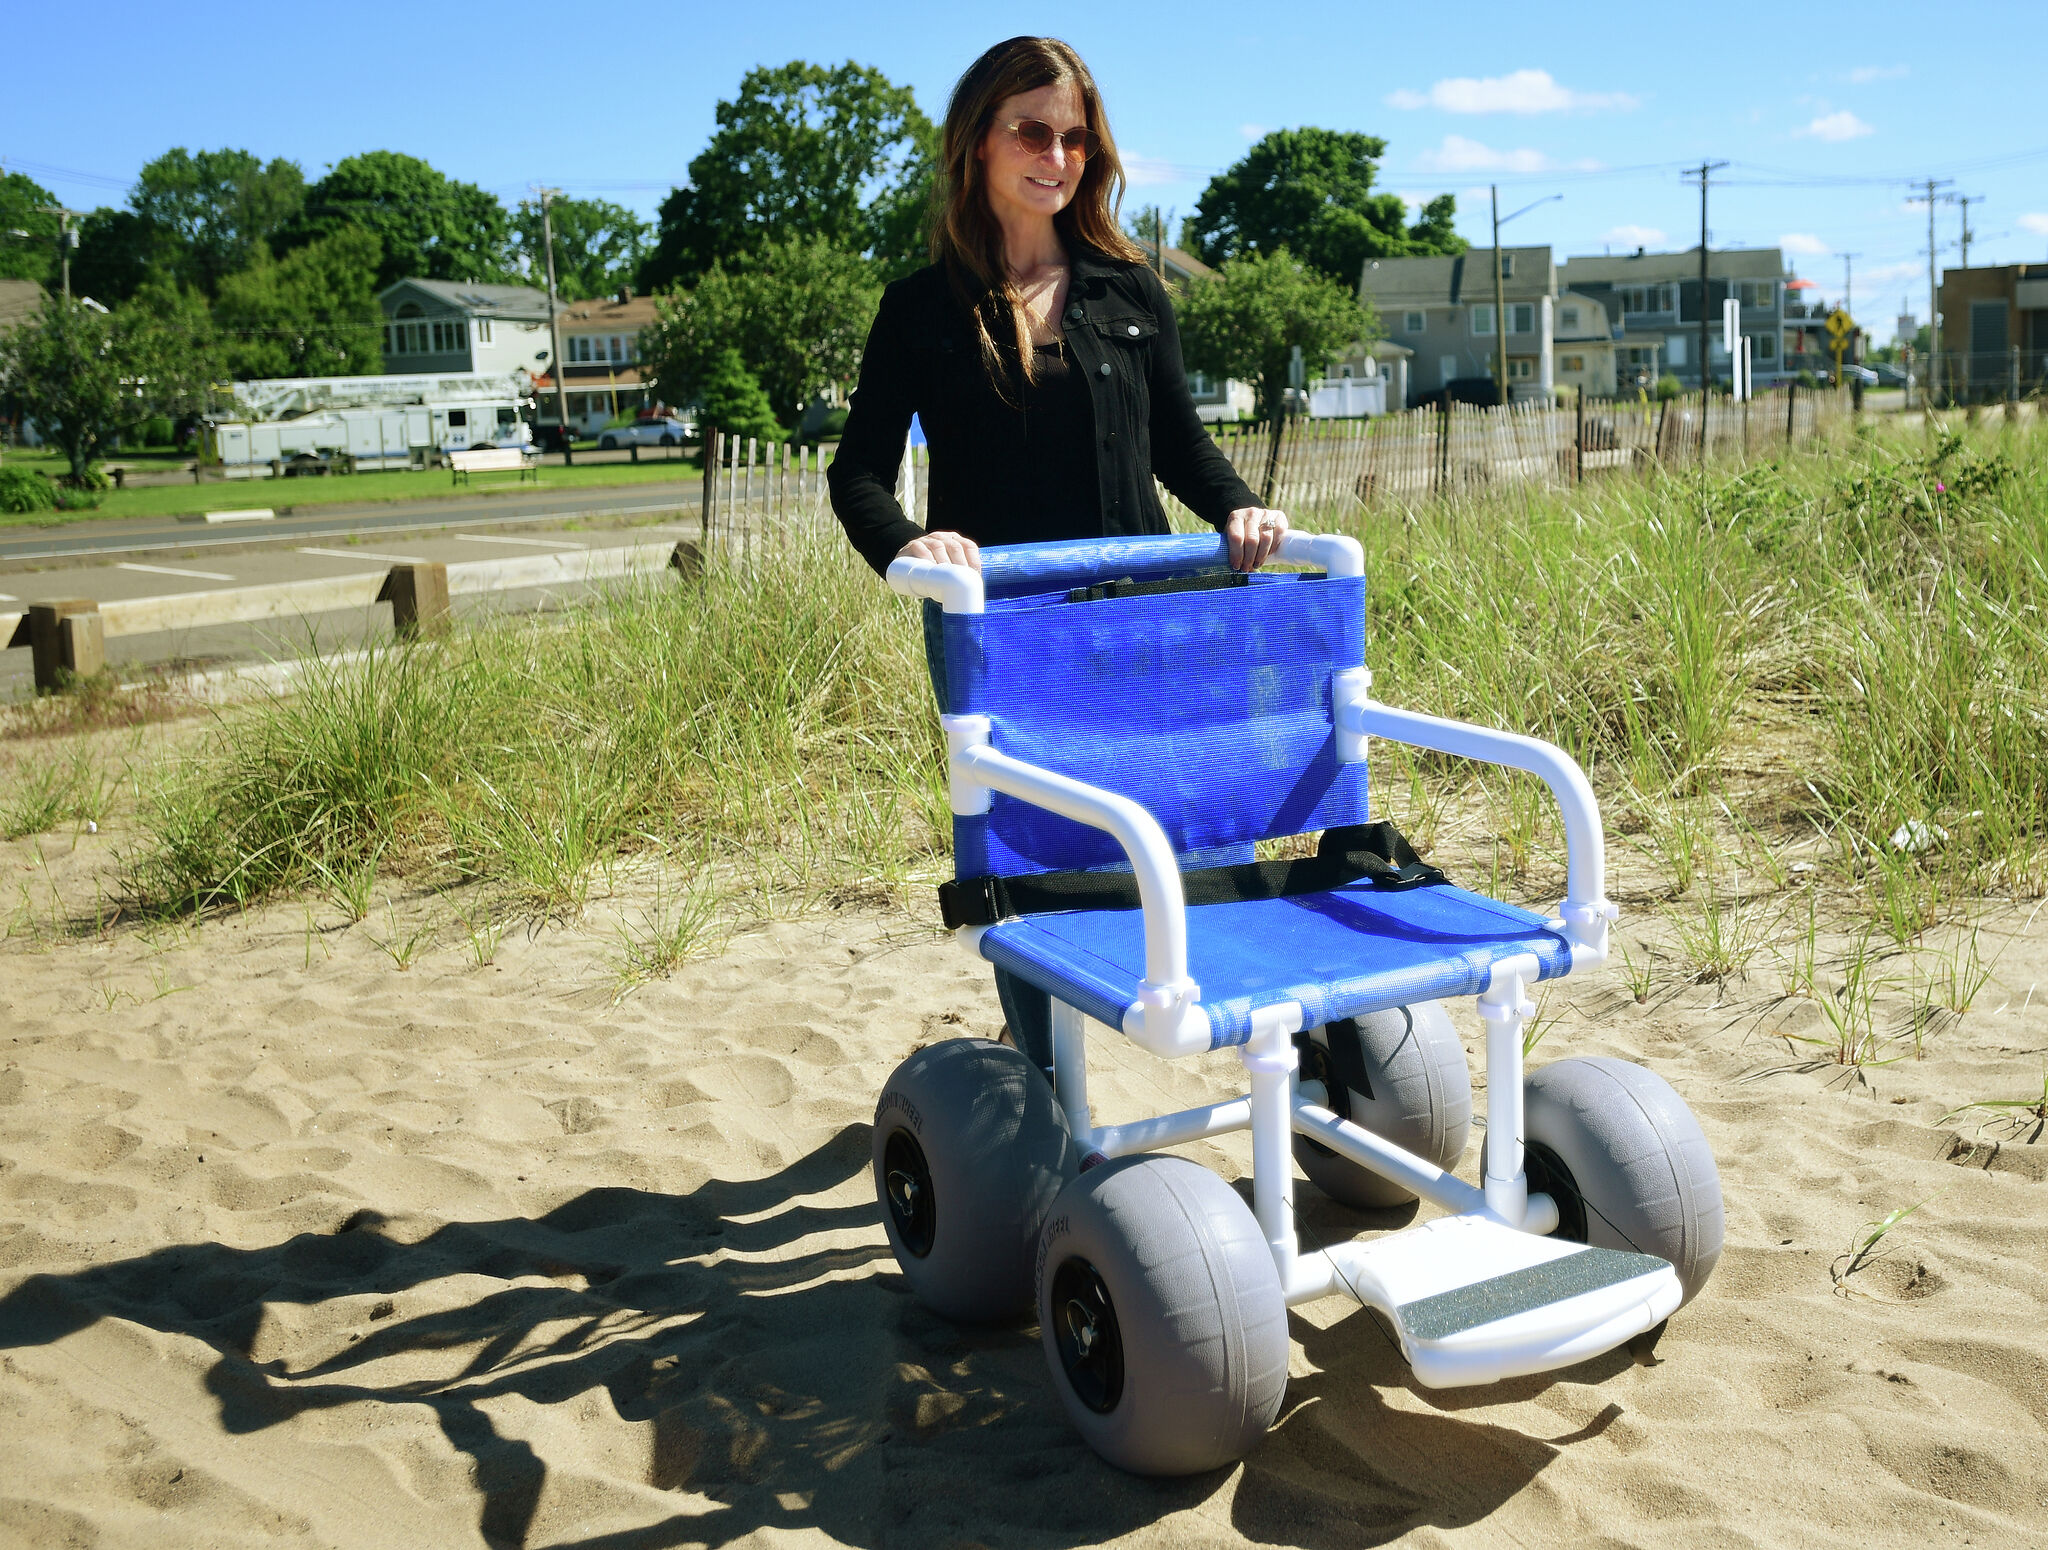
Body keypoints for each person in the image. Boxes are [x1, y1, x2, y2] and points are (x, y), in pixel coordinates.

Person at [829, 34, 1290, 1074]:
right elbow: (855, 473)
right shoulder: (917, 309)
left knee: (1189, 827)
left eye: (1075, 135)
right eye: (1031, 129)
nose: (1057, 153)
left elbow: (1181, 445)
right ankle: (1040, 1079)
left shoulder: (1129, 289)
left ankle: (1248, 1041)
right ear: (977, 141)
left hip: (1139, 617)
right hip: (1006, 635)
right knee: (1032, 856)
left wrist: (1241, 507)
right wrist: (912, 545)